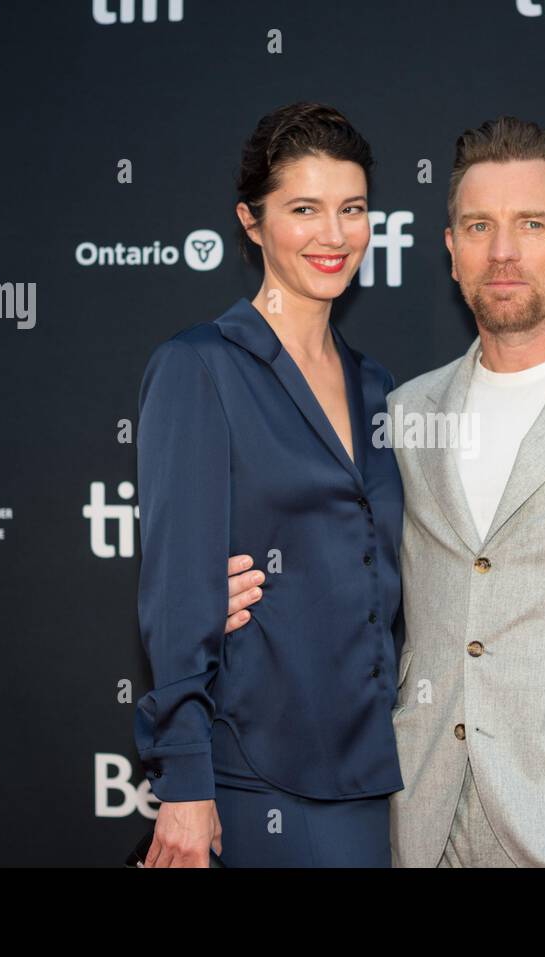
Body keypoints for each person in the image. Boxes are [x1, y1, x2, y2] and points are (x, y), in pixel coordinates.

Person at [226, 115, 545, 868]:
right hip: (426, 824)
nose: (503, 251)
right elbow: (347, 579)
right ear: (451, 251)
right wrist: (223, 594)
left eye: (531, 224)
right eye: (479, 226)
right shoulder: (406, 412)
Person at [134, 102, 404, 867]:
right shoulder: (200, 368)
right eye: (304, 209)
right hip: (258, 770)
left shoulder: (377, 387)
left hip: (376, 767)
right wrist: (185, 783)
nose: (334, 235)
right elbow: (175, 590)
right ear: (251, 223)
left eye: (352, 209)